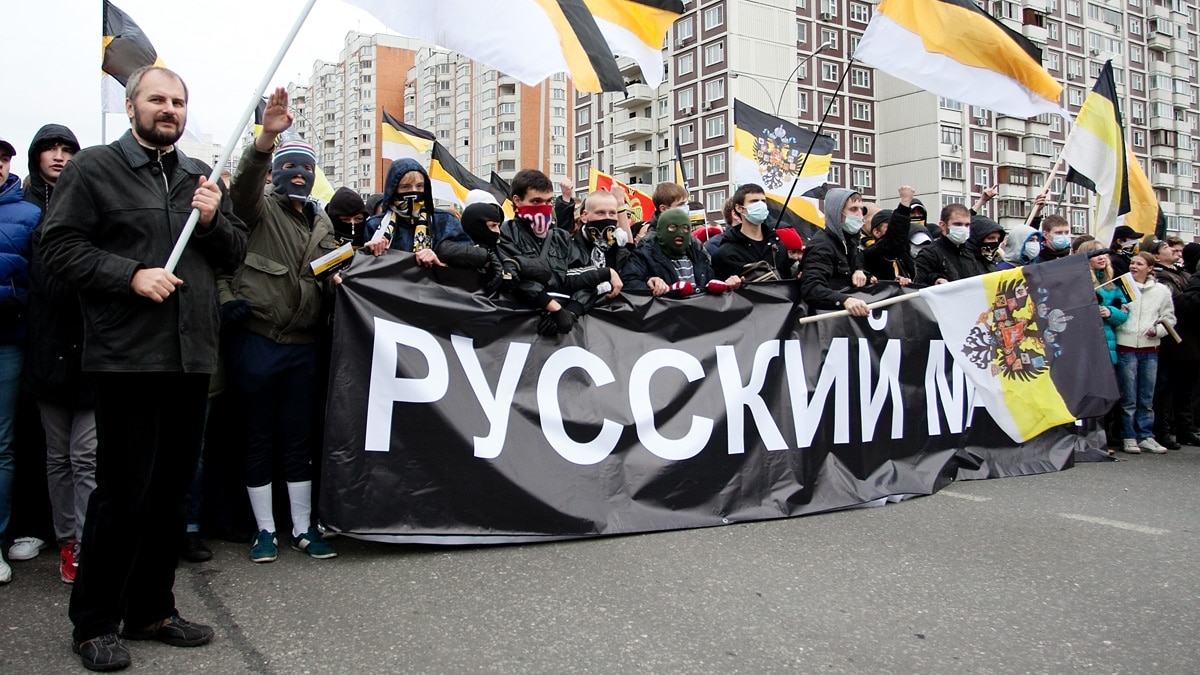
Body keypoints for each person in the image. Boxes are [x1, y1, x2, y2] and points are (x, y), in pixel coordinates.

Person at [39, 65, 248, 671]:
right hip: (128, 354)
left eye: (178, 101)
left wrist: (212, 220)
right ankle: (95, 623)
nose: (169, 109)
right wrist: (129, 275)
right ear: (131, 105)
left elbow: (235, 251)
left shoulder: (199, 177)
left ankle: (152, 609)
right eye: (157, 98)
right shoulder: (93, 169)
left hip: (191, 357)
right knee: (123, 492)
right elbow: (59, 247)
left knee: (169, 493)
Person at [223, 87, 338, 564]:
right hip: (259, 341)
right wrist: (266, 139)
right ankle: (264, 530)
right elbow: (245, 185)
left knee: (299, 438)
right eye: (289, 167)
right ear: (275, 173)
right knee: (258, 437)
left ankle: (302, 528)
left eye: (306, 169)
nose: (299, 175)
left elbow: (334, 273)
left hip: (303, 347)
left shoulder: (322, 221)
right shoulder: (258, 207)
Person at [21, 124, 96, 583]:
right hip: (47, 352)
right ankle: (66, 539)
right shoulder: (32, 217)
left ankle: (88, 544)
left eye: (68, 149)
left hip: (91, 354)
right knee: (57, 457)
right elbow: (48, 285)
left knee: (86, 456)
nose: (59, 157)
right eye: (50, 149)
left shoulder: (93, 211)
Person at [497, 169, 616, 335]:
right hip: (517, 328)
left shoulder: (561, 237)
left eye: (548, 201)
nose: (543, 208)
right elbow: (515, 278)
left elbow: (582, 277)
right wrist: (553, 307)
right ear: (517, 200)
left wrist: (572, 312)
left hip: (562, 332)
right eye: (536, 201)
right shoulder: (505, 233)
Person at [0, 137, 43, 586]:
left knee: (5, 445)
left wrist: (13, 300)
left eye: (2, 158)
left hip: (11, 342)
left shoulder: (27, 215)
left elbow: (43, 279)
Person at [1113, 252, 1176, 454]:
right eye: (1132, 263)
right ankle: (1128, 436)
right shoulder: (1121, 285)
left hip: (1150, 348)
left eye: (1139, 264)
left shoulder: (1161, 291)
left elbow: (1169, 318)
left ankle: (1146, 435)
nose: (1134, 266)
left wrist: (1158, 330)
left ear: (1150, 268)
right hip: (1126, 346)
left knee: (1146, 396)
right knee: (1128, 396)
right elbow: (1113, 310)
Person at [362, 157, 471, 260]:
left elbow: (467, 265)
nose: (414, 191)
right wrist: (369, 252)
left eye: (419, 186)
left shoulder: (446, 221)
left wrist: (439, 261)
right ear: (393, 190)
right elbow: (363, 270)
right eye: (406, 187)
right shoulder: (375, 225)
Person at [621, 207, 741, 296]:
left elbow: (710, 280)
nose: (680, 232)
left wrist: (725, 284)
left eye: (685, 228)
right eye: (672, 227)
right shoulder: (645, 254)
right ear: (661, 231)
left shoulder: (698, 255)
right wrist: (653, 285)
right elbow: (627, 282)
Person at [799, 188, 871, 317]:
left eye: (862, 210)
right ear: (837, 213)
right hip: (826, 325)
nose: (859, 215)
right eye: (853, 209)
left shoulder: (852, 243)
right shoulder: (822, 246)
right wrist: (844, 300)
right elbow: (812, 288)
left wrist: (863, 273)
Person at [1149, 237, 1191, 449]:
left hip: (1185, 338)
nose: (1174, 251)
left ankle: (1185, 428)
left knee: (1183, 387)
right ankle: (1162, 430)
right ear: (1156, 256)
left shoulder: (1180, 273)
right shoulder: (1163, 276)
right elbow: (1176, 303)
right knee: (1164, 387)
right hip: (1169, 341)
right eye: (1166, 248)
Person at [567, 191, 630, 312]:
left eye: (612, 213)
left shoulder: (621, 249)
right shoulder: (571, 246)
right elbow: (569, 281)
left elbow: (632, 278)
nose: (607, 217)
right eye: (600, 213)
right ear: (584, 216)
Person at [711, 184, 790, 281]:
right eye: (754, 201)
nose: (761, 205)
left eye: (763, 201)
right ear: (739, 208)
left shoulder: (778, 247)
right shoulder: (726, 253)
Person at [914, 203, 984, 285]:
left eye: (967, 225)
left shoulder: (970, 252)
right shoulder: (929, 253)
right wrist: (935, 279)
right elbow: (919, 285)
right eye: (958, 224)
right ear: (943, 225)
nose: (963, 229)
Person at [862, 185, 918, 283]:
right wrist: (904, 204)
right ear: (876, 232)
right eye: (890, 227)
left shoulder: (903, 254)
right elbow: (893, 241)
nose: (894, 230)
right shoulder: (872, 254)